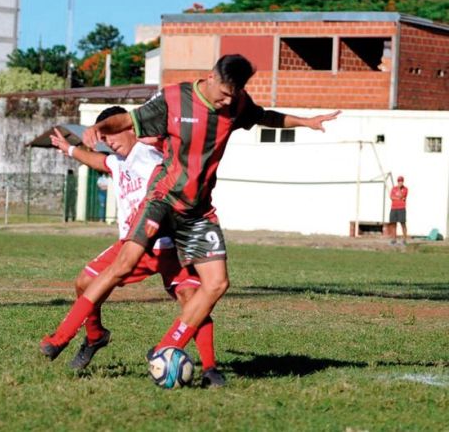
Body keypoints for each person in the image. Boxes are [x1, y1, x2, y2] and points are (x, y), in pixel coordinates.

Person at [40, 54, 340, 373]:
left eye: (234, 95)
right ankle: (72, 337)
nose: (228, 101)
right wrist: (87, 138)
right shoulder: (170, 104)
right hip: (159, 211)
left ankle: (190, 359)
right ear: (211, 77)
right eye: (224, 92)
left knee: (209, 287)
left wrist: (306, 122)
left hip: (187, 223)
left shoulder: (226, 109)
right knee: (96, 276)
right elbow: (123, 128)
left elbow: (264, 116)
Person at [44, 108, 221, 383]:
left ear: (129, 127)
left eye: (111, 133)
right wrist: (69, 149)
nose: (108, 141)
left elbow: (174, 155)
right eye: (103, 137)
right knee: (83, 283)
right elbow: (98, 161)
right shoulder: (117, 160)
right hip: (132, 245)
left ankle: (210, 368)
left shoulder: (148, 154)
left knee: (192, 299)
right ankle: (95, 336)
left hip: (171, 246)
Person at [390, 175, 408, 245]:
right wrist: (398, 198)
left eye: (401, 181)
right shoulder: (394, 188)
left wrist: (399, 191)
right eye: (399, 181)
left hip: (401, 208)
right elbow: (391, 197)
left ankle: (404, 240)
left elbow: (402, 196)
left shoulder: (405, 189)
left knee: (403, 223)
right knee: (393, 224)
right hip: (394, 208)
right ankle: (394, 239)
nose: (400, 182)